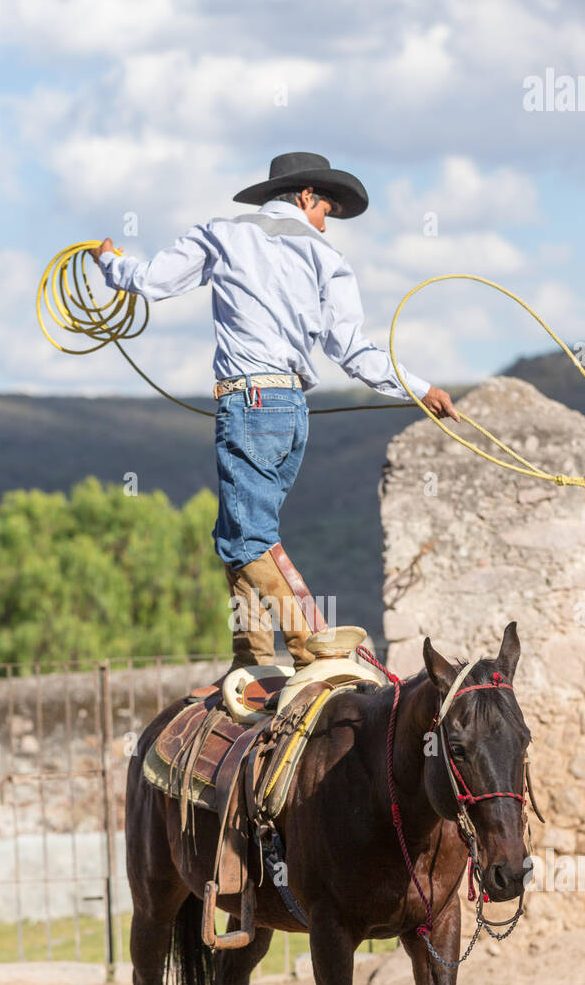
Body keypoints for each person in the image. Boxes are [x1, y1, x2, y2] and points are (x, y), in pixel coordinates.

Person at [92, 151, 459, 670]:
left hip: (249, 403)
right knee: (240, 533)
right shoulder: (327, 259)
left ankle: (315, 648)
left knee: (246, 538)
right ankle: (250, 660)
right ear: (305, 196)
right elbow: (352, 350)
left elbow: (150, 280)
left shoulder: (222, 233)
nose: (324, 222)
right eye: (325, 210)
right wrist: (419, 388)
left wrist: (109, 262)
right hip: (290, 412)